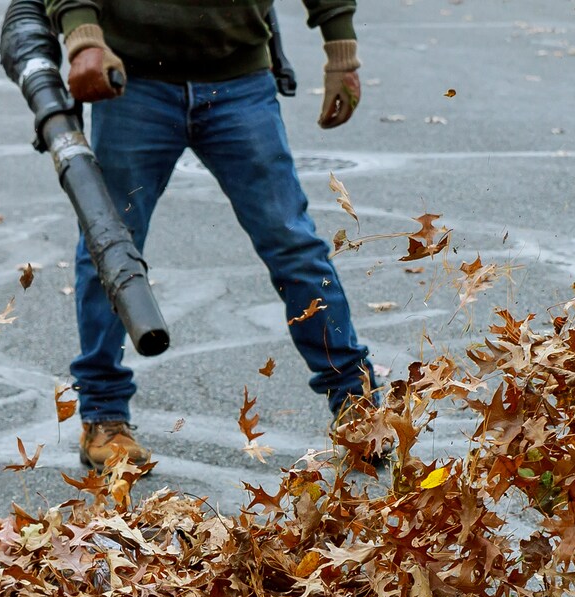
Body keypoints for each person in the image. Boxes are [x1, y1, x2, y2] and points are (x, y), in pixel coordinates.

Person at [53, 0, 377, 475]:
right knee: (109, 247)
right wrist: (82, 34)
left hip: (240, 82)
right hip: (133, 85)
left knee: (294, 245)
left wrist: (342, 53)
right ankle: (103, 416)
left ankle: (357, 406)